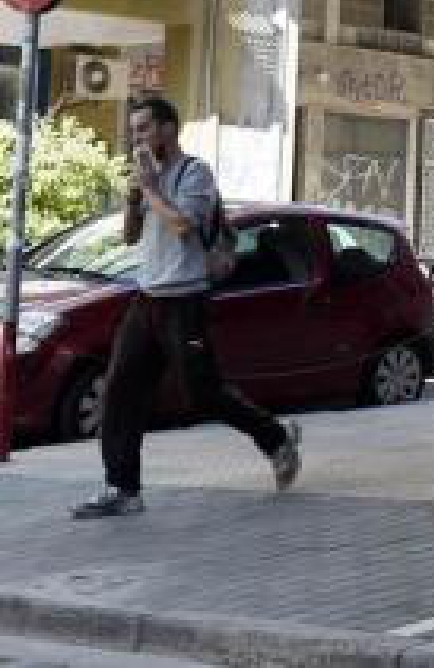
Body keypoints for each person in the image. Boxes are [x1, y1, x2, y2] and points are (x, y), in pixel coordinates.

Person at [71, 96, 301, 519]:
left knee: (203, 393)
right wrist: (133, 200)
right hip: (147, 297)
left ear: (169, 129)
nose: (137, 138)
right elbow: (129, 237)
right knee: (119, 390)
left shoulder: (195, 173)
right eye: (133, 130)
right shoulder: (147, 178)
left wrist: (150, 189)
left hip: (184, 299)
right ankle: (122, 489)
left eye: (144, 129)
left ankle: (276, 438)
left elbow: (181, 226)